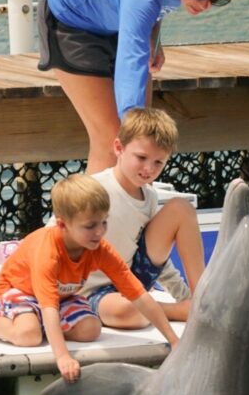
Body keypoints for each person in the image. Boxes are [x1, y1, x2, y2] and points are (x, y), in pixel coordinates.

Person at [38, 0, 238, 173]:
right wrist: (135, 133)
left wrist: (153, 37)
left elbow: (154, 2)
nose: (205, 5)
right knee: (114, 139)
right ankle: (88, 215)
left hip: (116, 10)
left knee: (141, 144)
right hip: (71, 16)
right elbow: (131, 57)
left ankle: (133, 209)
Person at [0, 174, 179, 384]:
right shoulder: (48, 252)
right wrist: (62, 356)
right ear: (62, 225)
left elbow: (137, 293)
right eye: (90, 225)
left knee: (90, 330)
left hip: (63, 294)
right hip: (20, 290)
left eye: (104, 222)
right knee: (28, 336)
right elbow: (48, 305)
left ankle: (39, 325)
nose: (100, 232)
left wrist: (174, 340)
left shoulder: (98, 247)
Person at [84, 107, 205, 328]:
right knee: (129, 313)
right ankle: (172, 311)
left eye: (159, 162)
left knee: (181, 208)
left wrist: (182, 294)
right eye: (141, 157)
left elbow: (156, 258)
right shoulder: (94, 189)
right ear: (119, 147)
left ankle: (202, 300)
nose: (148, 169)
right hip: (93, 294)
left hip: (130, 280)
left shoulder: (149, 196)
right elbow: (55, 236)